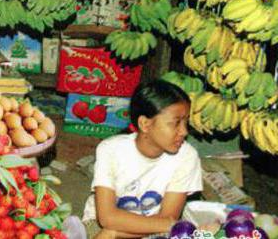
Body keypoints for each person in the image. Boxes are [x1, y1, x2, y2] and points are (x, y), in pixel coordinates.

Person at [82, 80, 205, 239]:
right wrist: (111, 228)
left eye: (185, 122)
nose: (184, 131)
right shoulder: (110, 150)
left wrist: (114, 233)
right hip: (99, 224)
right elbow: (107, 218)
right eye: (176, 123)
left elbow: (169, 218)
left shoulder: (187, 156)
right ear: (145, 124)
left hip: (148, 229)